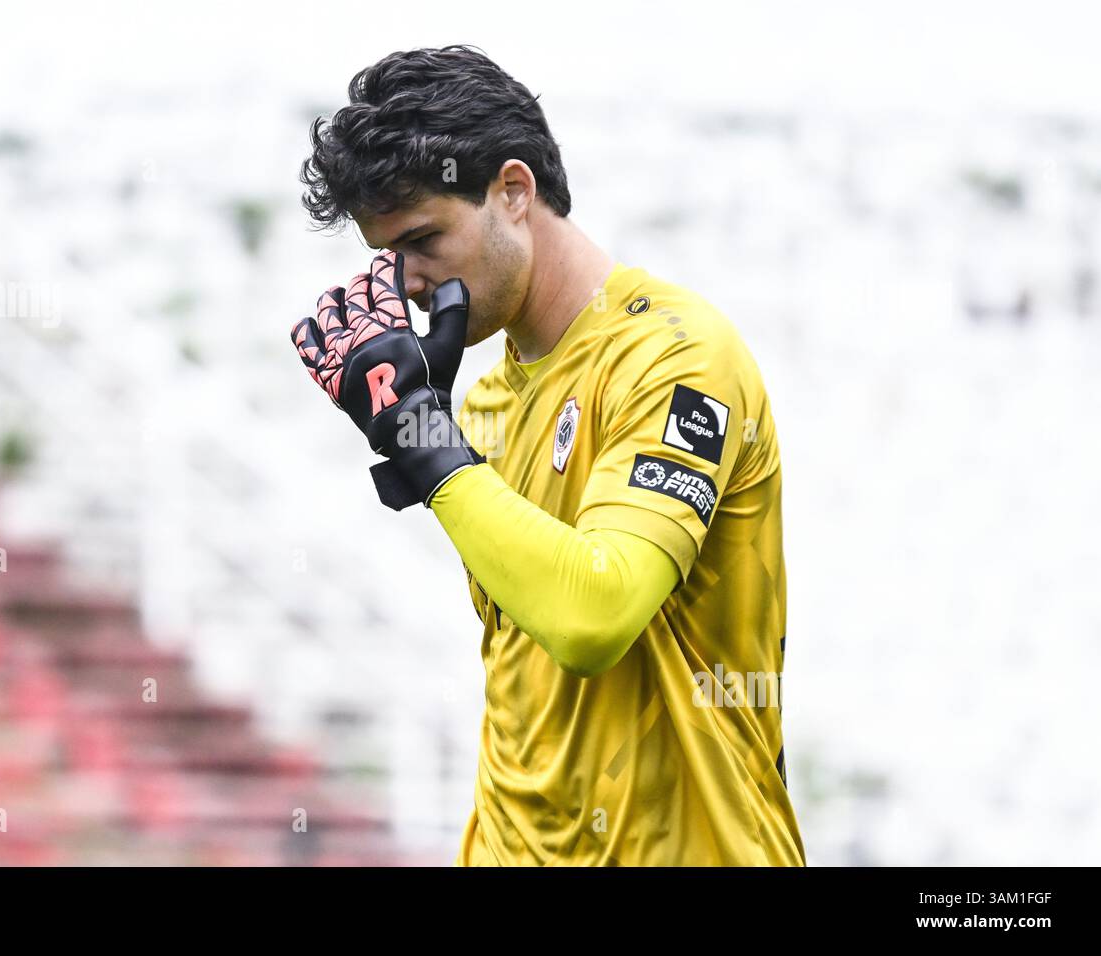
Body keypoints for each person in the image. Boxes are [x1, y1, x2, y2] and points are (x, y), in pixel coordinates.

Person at [291, 44, 804, 866]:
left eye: (424, 239)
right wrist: (430, 439)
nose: (407, 282)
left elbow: (592, 615)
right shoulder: (488, 400)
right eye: (386, 258)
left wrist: (425, 445)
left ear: (514, 191)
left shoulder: (676, 357)